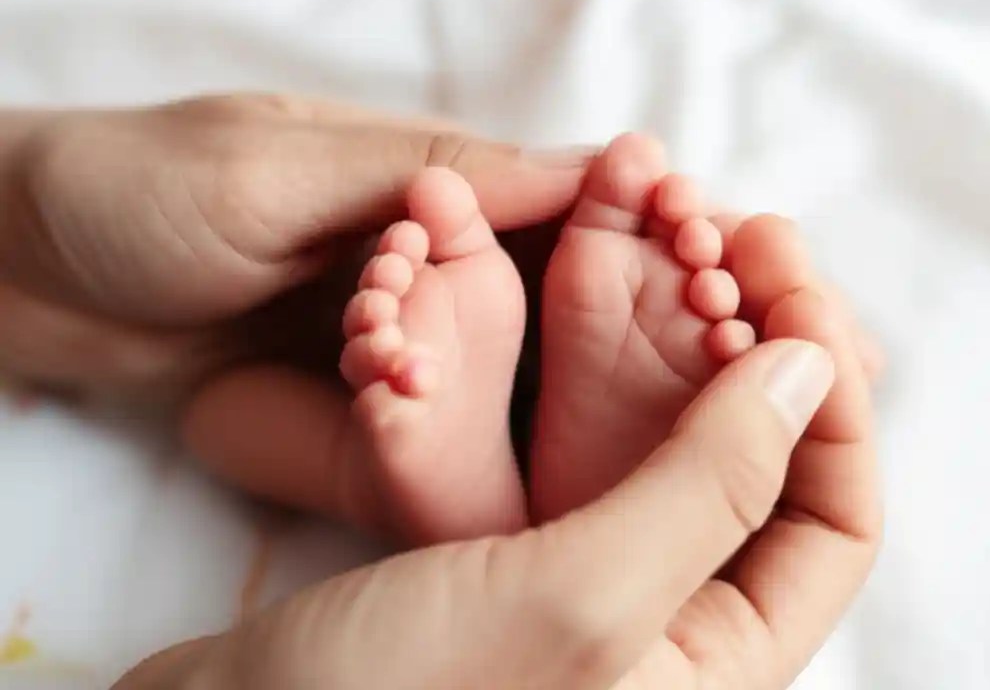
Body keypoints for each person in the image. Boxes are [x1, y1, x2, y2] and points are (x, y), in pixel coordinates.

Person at [0, 94, 882, 688]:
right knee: (223, 413)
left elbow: (209, 413)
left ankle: (426, 482)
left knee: (222, 410)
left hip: (250, 377)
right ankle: (454, 491)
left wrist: (21, 195)